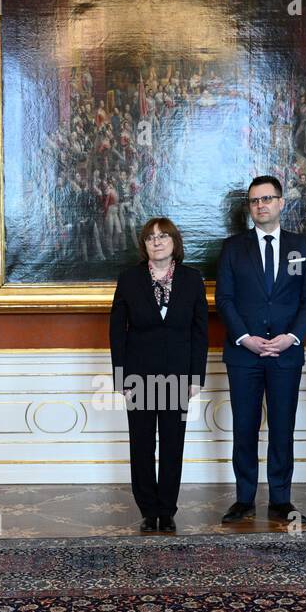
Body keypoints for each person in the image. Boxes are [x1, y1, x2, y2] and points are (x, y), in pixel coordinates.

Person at [215, 175, 306, 525]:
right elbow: (224, 299)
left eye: (268, 198)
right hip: (244, 354)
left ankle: (280, 499)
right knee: (244, 426)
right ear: (250, 207)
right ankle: (244, 497)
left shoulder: (301, 246)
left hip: (286, 353)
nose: (261, 205)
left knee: (281, 427)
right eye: (255, 200)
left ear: (280, 202)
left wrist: (292, 337)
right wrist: (245, 337)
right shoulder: (232, 248)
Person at [109, 218, 208, 532]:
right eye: (150, 237)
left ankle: (166, 509)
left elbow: (200, 332)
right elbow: (117, 332)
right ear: (144, 244)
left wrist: (196, 378)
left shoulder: (192, 280)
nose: (157, 241)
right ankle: (148, 509)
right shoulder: (129, 279)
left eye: (163, 236)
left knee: (172, 444)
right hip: (138, 376)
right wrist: (120, 378)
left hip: (178, 375)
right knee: (140, 445)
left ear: (174, 241)